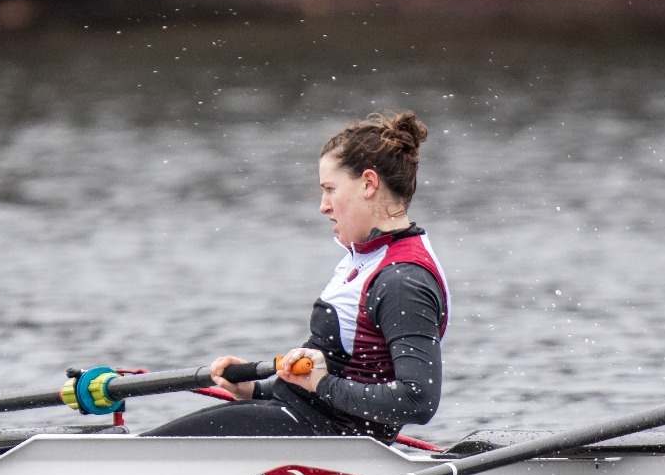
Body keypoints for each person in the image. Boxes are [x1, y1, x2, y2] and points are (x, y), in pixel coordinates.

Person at [145, 110, 448, 441]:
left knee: (142, 454)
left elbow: (418, 399)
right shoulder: (364, 258)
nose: (323, 206)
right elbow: (335, 376)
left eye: (330, 189)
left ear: (368, 183)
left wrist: (321, 383)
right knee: (148, 444)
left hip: (334, 443)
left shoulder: (402, 280)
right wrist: (253, 391)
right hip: (304, 422)